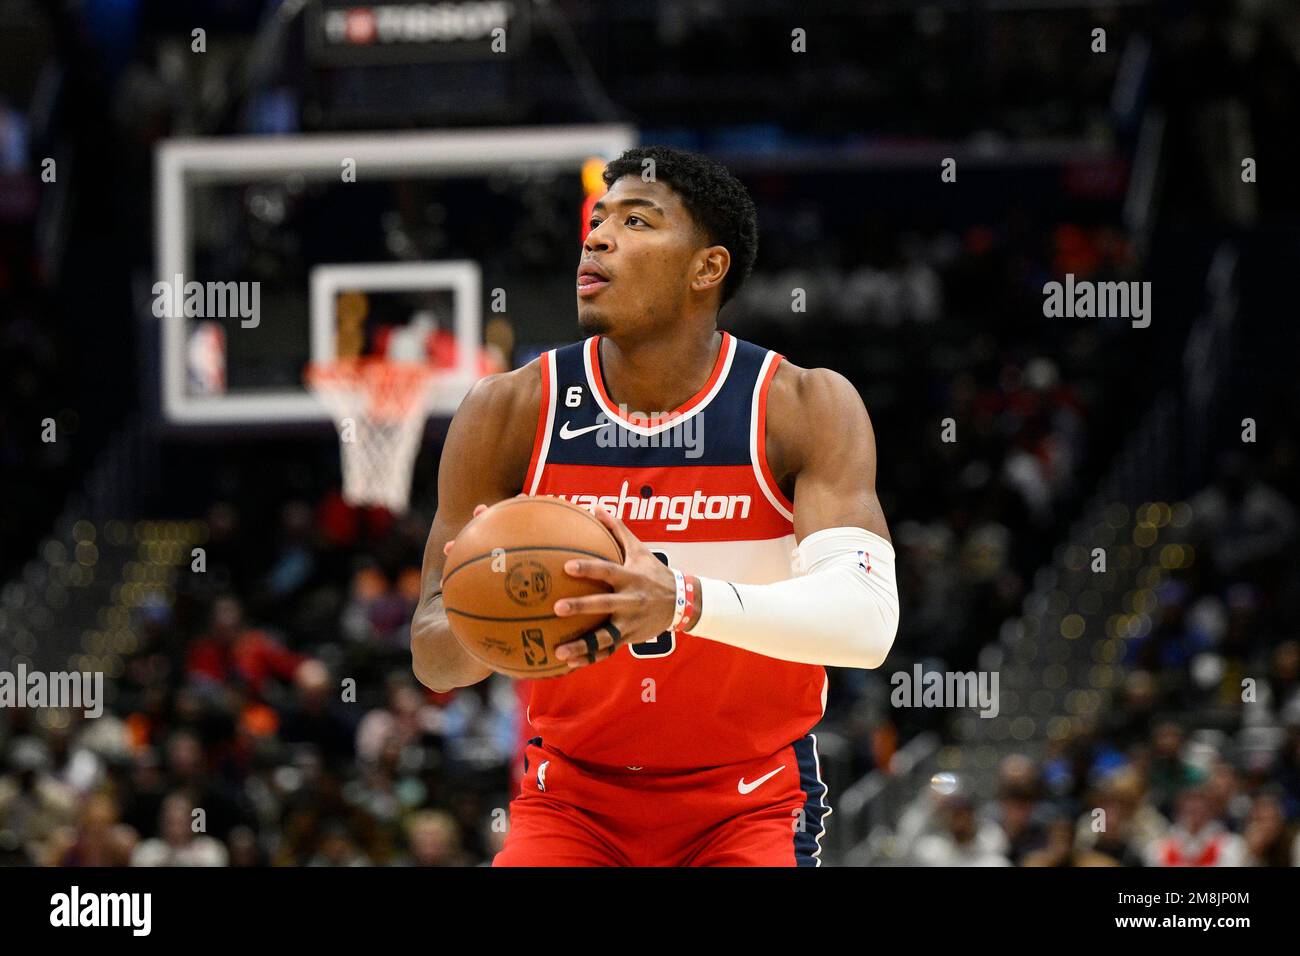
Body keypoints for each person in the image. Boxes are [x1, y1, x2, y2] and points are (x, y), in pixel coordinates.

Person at [410, 146, 901, 866]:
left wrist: (680, 601)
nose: (598, 236)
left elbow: (866, 623)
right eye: (598, 220)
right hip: (570, 799)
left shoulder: (801, 405)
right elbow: (431, 653)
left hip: (749, 800)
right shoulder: (510, 409)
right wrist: (492, 621)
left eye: (636, 221)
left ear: (708, 267)